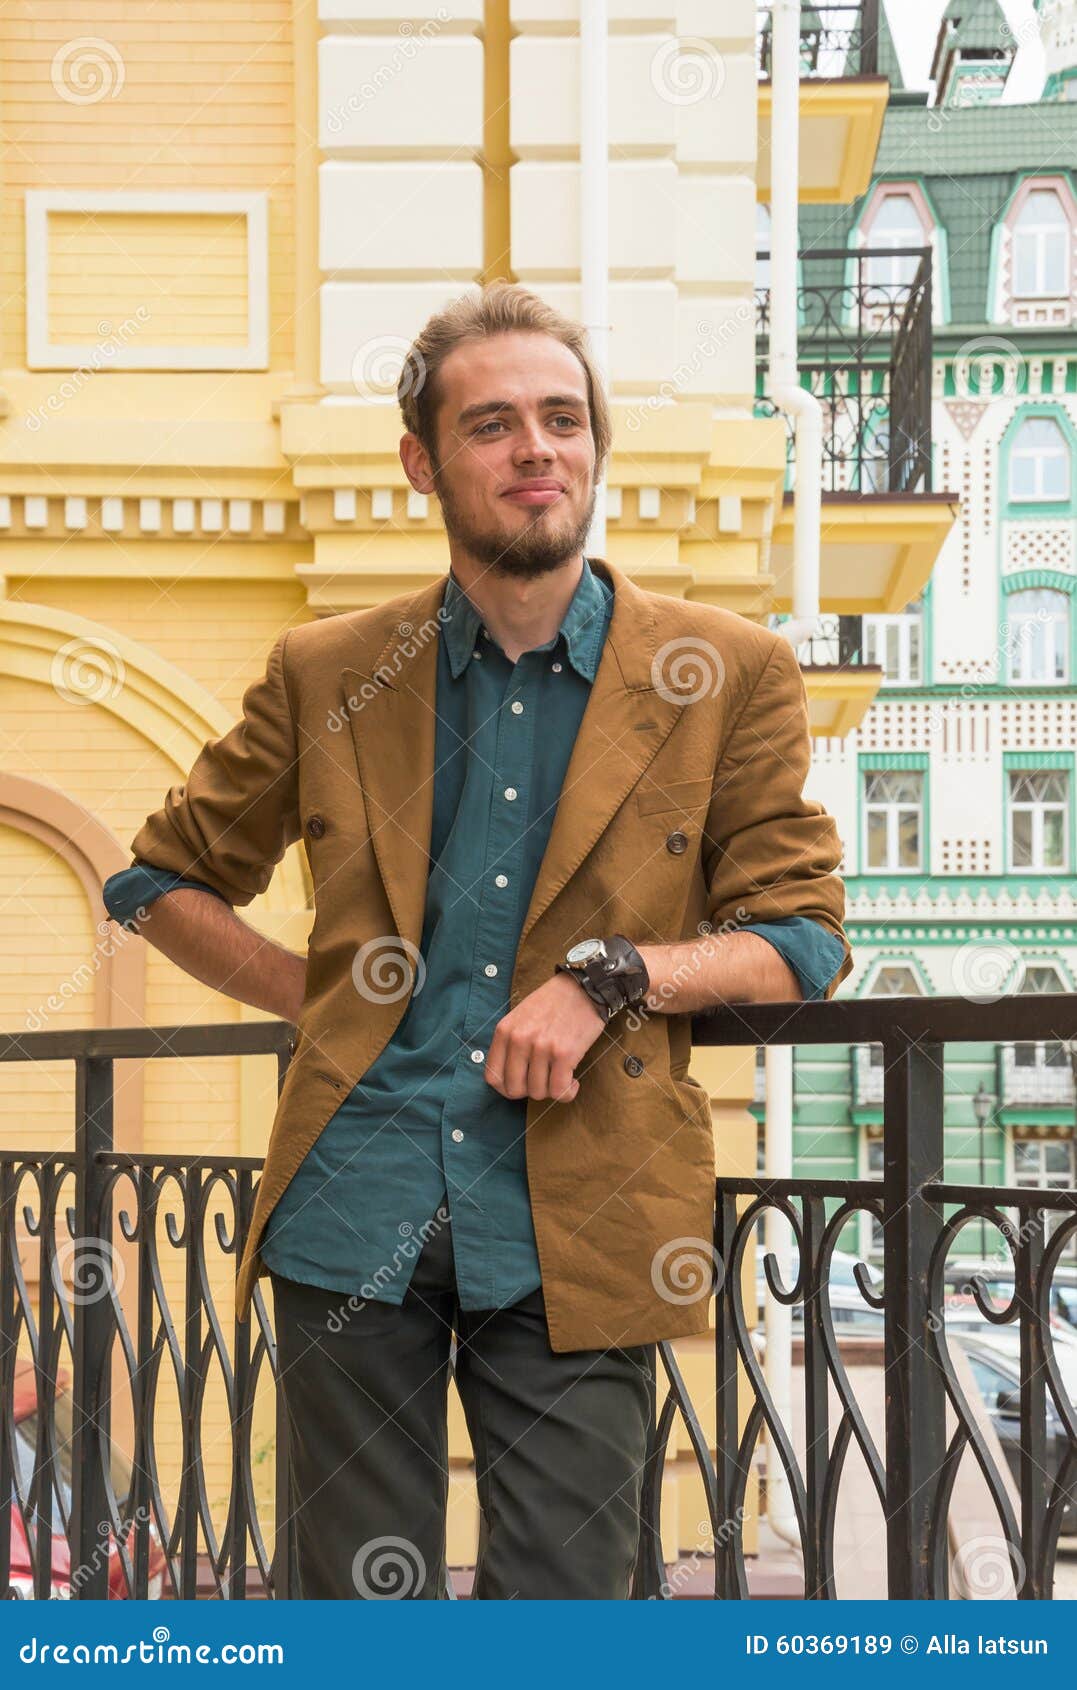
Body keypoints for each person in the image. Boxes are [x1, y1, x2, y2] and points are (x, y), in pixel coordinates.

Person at [104, 281, 851, 1600]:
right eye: (493, 423)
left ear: (594, 448)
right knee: (351, 1597)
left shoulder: (721, 669)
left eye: (562, 419)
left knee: (568, 1600)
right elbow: (162, 879)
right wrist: (327, 997)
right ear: (422, 462)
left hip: (586, 1204)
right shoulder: (332, 669)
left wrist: (614, 975)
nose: (536, 451)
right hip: (354, 1204)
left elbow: (798, 936)